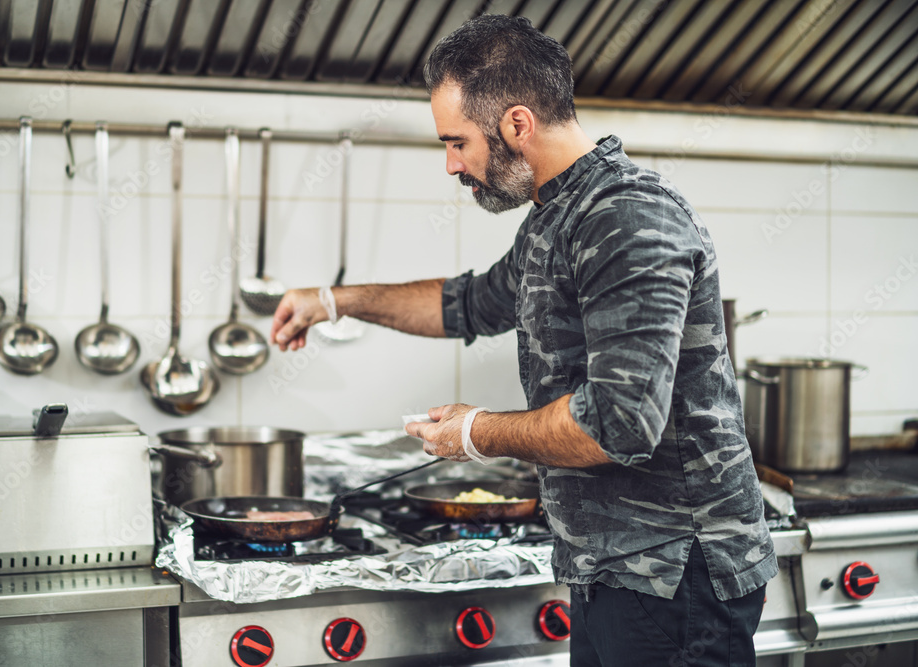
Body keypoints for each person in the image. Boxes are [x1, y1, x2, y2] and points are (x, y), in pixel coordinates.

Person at [270, 14, 776, 667]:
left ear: (515, 124)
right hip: (613, 568)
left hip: (677, 571)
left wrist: (476, 432)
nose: (451, 164)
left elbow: (620, 424)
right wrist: (334, 302)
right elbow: (469, 302)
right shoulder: (556, 216)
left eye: (457, 142)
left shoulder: (628, 216)